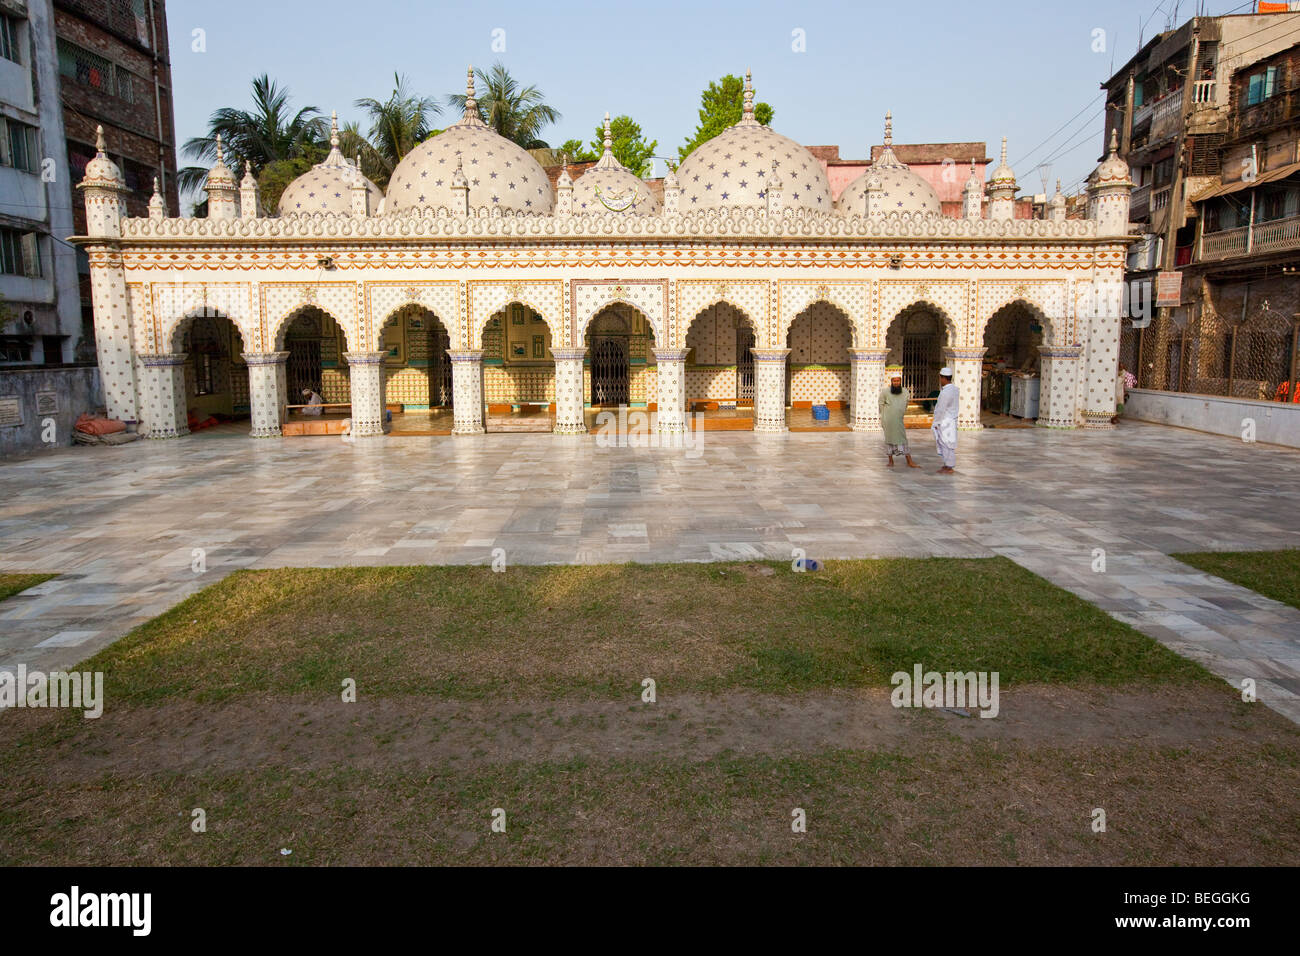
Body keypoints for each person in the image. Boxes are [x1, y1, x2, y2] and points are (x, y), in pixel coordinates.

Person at [879, 371, 918, 468]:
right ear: (891, 381)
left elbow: (905, 404)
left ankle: (909, 461)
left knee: (902, 439)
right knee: (889, 440)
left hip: (899, 420)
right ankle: (890, 461)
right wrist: (884, 416)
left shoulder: (905, 392)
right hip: (888, 420)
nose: (896, 383)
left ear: (900, 381)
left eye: (898, 381)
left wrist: (900, 413)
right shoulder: (885, 392)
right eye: (894, 381)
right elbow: (881, 404)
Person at [931, 366, 959, 474]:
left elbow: (941, 409)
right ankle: (947, 464)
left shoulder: (945, 393)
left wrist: (936, 422)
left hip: (945, 421)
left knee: (946, 444)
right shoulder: (954, 390)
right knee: (947, 443)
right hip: (951, 420)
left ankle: (949, 467)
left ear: (943, 378)